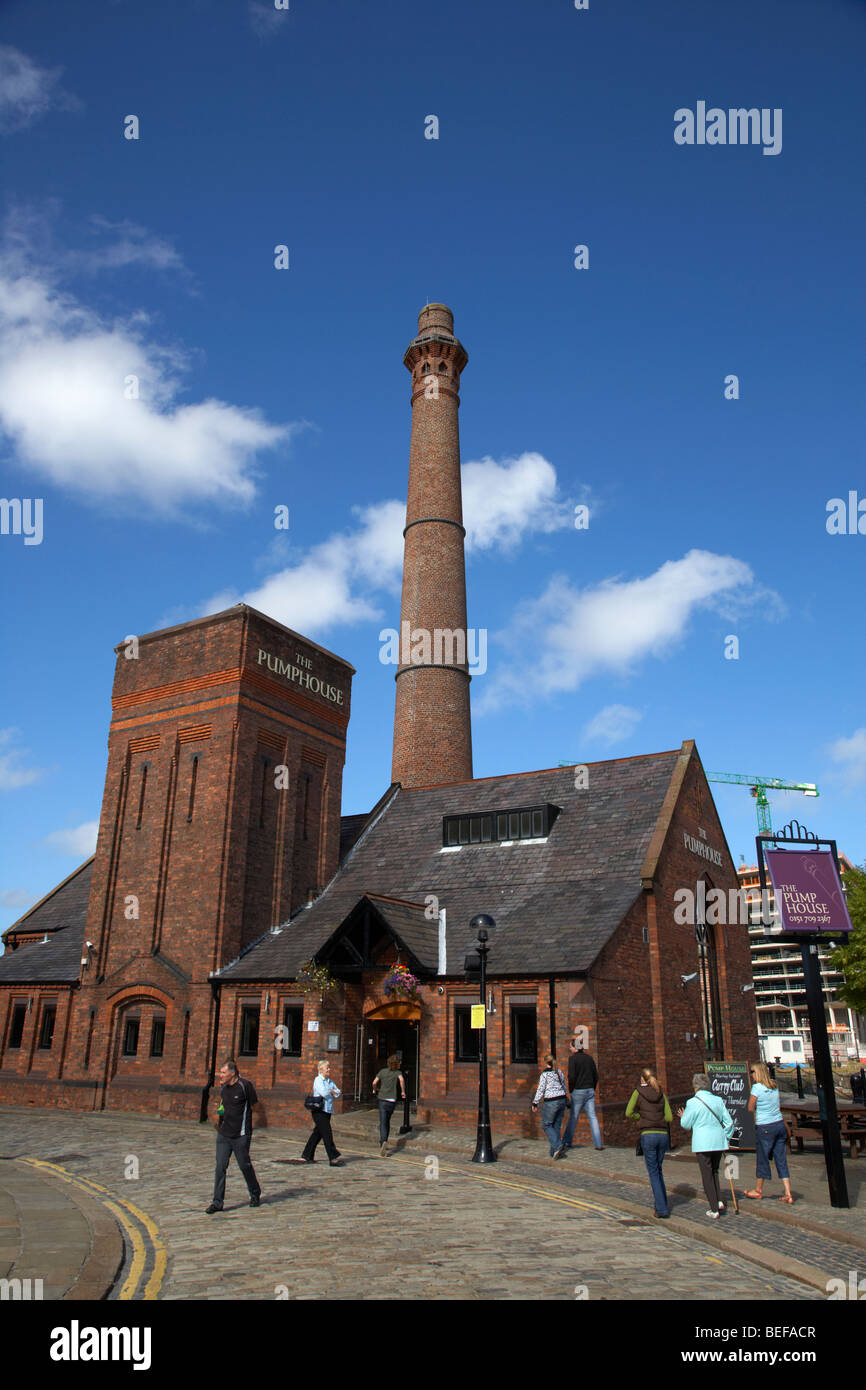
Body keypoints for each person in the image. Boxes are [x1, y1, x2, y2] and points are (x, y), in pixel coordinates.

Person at [206, 1057, 261, 1213]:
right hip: (224, 1135)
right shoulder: (223, 1088)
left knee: (244, 1165)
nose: (220, 1075)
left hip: (241, 1135)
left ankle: (255, 1193)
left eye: (223, 1072)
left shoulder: (245, 1086)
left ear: (232, 1073)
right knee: (220, 1167)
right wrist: (218, 1119)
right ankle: (217, 1202)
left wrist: (249, 1127)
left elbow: (255, 1107)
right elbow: (223, 1105)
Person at [677, 1073, 735, 1219]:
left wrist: (683, 1116)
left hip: (703, 1143)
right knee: (715, 1171)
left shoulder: (693, 1102)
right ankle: (719, 1200)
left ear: (695, 1086)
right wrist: (726, 1137)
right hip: (718, 1141)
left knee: (707, 1175)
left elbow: (686, 1124)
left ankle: (714, 1208)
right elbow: (729, 1123)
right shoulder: (718, 1100)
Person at [625, 1067, 673, 1218]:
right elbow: (669, 1117)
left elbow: (628, 1112)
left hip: (648, 1135)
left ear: (642, 1079)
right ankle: (661, 1204)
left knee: (653, 1173)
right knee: (658, 1171)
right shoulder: (660, 1092)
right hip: (663, 1135)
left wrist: (640, 1117)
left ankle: (662, 1209)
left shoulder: (638, 1092)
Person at [744, 1061, 793, 1204]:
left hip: (765, 1127)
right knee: (781, 1159)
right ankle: (788, 1192)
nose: (751, 1075)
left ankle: (758, 1190)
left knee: (763, 1158)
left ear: (758, 1072)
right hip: (779, 1125)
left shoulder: (757, 1088)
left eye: (752, 1072)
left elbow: (750, 1107)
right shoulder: (774, 1085)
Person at [560, 1037, 603, 1151]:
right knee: (593, 1116)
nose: (569, 1048)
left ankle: (566, 1141)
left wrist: (571, 1090)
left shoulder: (573, 1059)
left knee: (573, 1117)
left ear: (575, 1048)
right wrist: (592, 1087)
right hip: (589, 1090)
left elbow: (572, 1076)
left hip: (578, 1090)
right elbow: (596, 1075)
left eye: (570, 1046)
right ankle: (598, 1143)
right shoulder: (589, 1058)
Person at [301, 1059, 344, 1166]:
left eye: (329, 1067)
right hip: (319, 1111)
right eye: (327, 1068)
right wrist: (331, 1091)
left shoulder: (329, 1081)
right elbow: (324, 1093)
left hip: (327, 1110)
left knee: (318, 1133)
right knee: (327, 1133)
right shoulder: (318, 1080)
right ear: (321, 1070)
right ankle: (333, 1157)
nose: (329, 1069)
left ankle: (307, 1154)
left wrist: (331, 1091)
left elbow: (338, 1092)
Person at [531, 1053, 569, 1158]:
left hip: (551, 1101)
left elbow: (541, 1089)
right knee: (556, 1126)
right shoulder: (559, 1072)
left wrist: (535, 1102)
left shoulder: (545, 1074)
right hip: (561, 1099)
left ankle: (557, 1145)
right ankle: (554, 1153)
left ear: (545, 1062)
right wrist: (566, 1099)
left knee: (546, 1125)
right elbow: (564, 1086)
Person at [372, 1052, 407, 1157]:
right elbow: (401, 1080)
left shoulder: (382, 1071)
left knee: (383, 1122)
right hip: (391, 1100)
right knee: (387, 1121)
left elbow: (374, 1082)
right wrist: (402, 1091)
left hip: (382, 1099)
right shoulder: (397, 1073)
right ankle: (384, 1141)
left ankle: (383, 1141)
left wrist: (375, 1090)